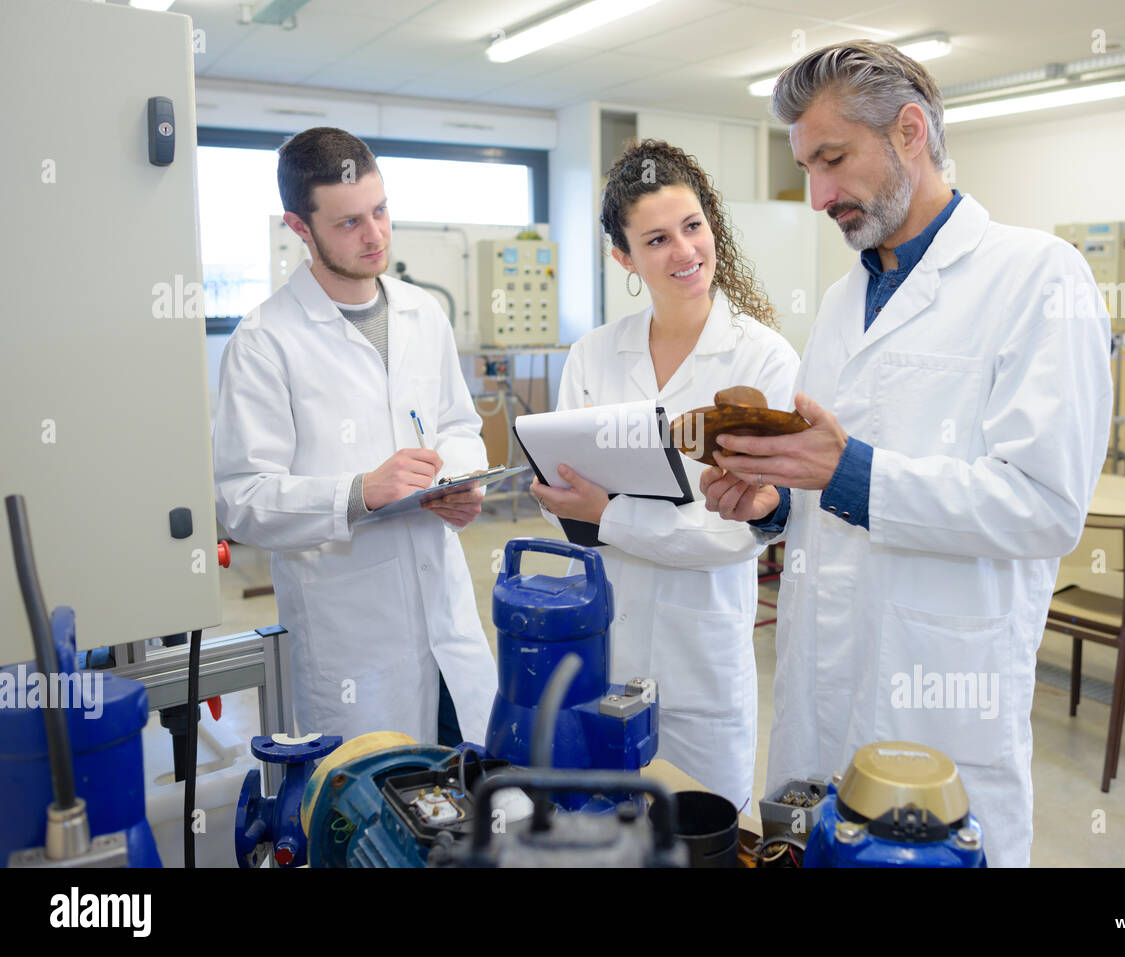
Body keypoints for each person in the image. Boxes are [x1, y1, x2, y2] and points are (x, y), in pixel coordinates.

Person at [701, 41, 1113, 865]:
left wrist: (845, 473)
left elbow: (1045, 506)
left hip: (943, 688)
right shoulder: (843, 296)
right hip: (825, 682)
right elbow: (829, 477)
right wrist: (777, 499)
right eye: (806, 167)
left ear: (911, 132)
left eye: (832, 160)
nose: (817, 195)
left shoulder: (1039, 278)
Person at [531, 140, 799, 812]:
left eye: (693, 226)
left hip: (703, 658)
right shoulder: (594, 354)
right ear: (624, 257)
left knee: (704, 830)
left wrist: (610, 514)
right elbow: (560, 501)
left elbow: (737, 533)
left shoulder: (763, 358)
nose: (684, 252)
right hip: (606, 643)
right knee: (609, 830)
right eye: (656, 239)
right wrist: (587, 510)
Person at [212, 127, 497, 746]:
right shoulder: (265, 341)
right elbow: (239, 497)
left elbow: (457, 425)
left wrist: (460, 481)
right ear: (299, 227)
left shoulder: (425, 313)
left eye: (381, 210)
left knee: (469, 789)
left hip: (447, 614)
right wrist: (358, 493)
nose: (374, 236)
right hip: (351, 640)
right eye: (347, 223)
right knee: (370, 816)